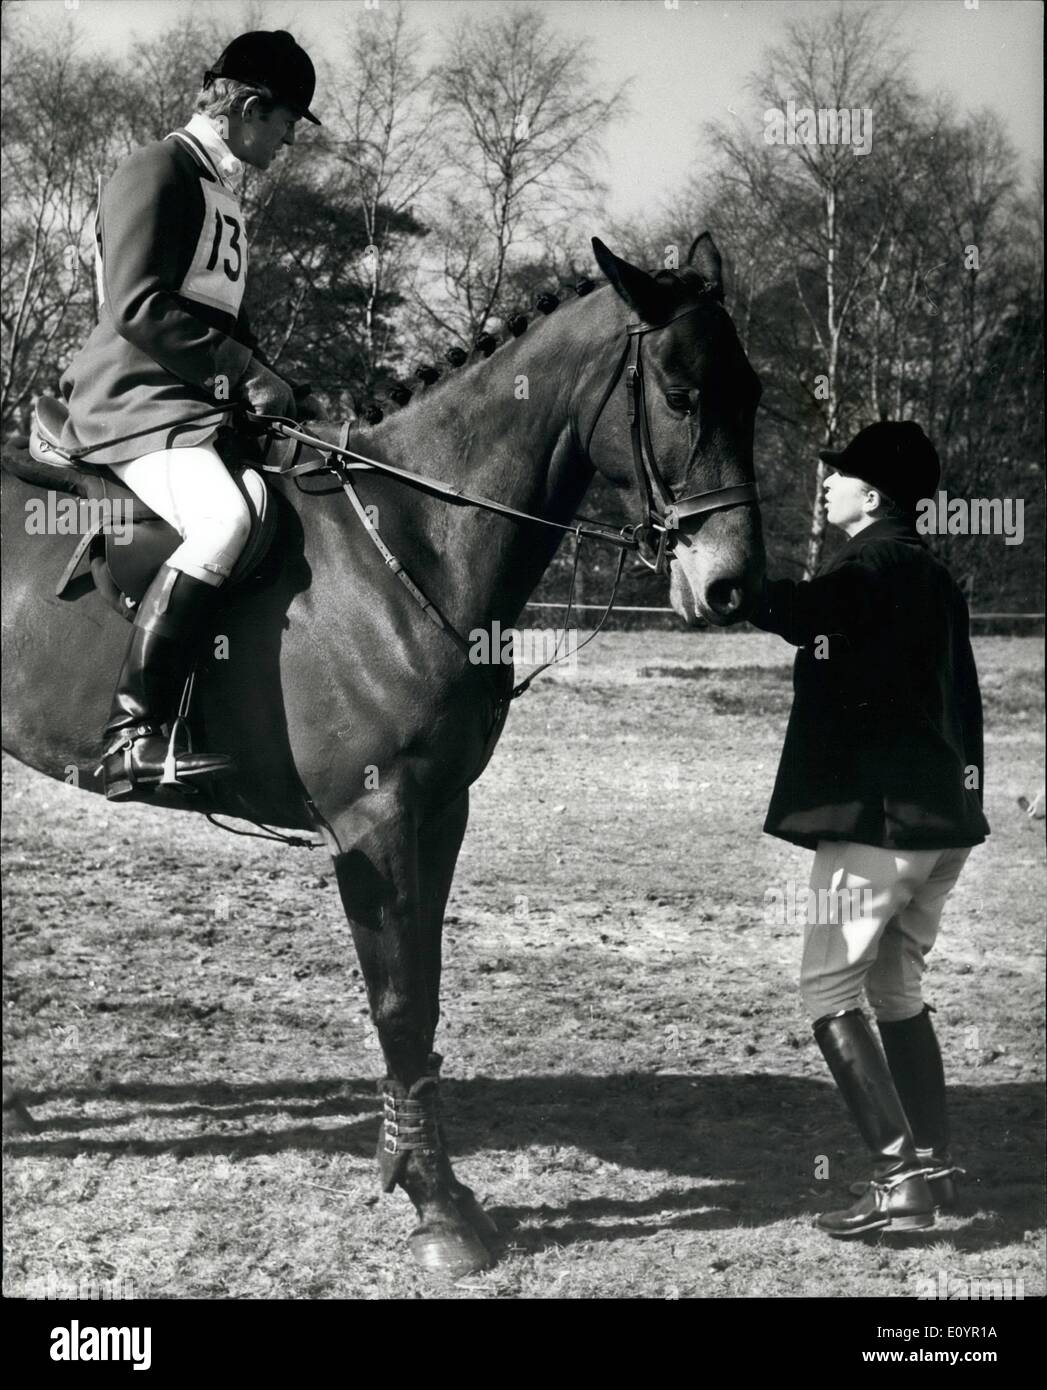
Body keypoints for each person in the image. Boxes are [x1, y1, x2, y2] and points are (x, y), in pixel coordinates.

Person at [57, 30, 320, 800]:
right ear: (249, 106)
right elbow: (136, 305)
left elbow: (224, 321)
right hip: (132, 399)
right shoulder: (156, 168)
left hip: (188, 404)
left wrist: (277, 383)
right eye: (286, 122)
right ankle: (130, 736)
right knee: (224, 520)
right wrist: (243, 373)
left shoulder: (217, 192)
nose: (288, 140)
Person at [750, 421, 990, 1237]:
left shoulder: (869, 564)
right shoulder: (931, 572)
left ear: (874, 495)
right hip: (941, 828)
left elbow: (804, 610)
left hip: (880, 827)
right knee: (896, 992)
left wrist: (730, 585)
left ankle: (897, 1179)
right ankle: (934, 1168)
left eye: (840, 474)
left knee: (827, 990)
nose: (827, 483)